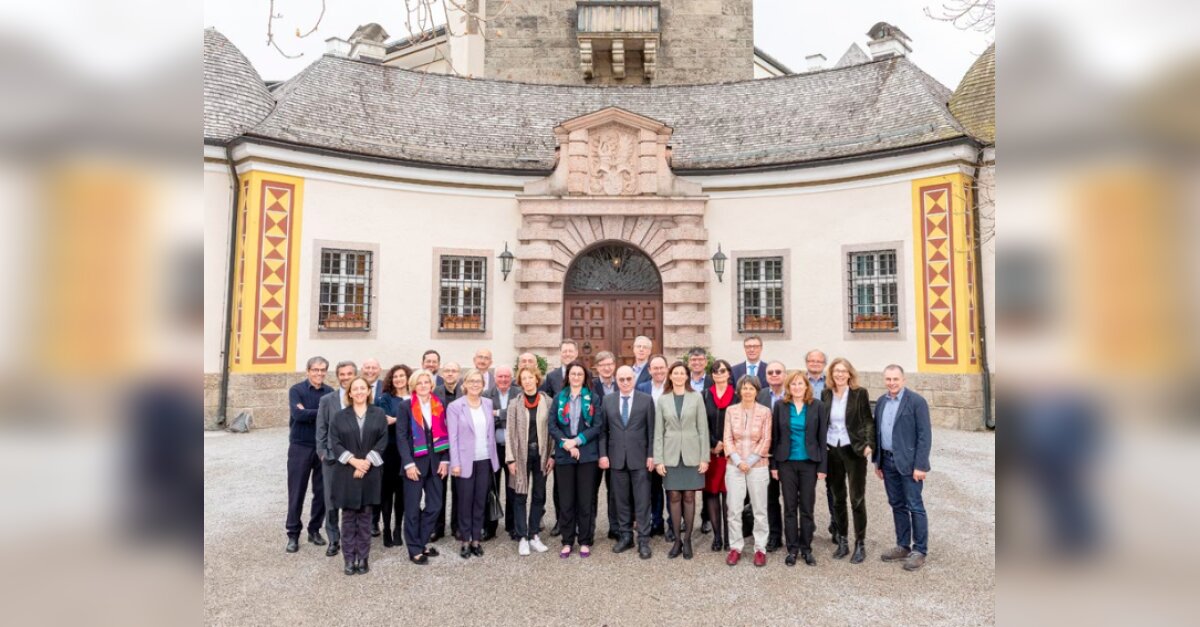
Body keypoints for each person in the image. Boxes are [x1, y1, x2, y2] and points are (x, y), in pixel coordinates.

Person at [872, 365, 932, 572]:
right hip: (887, 462)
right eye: (888, 379)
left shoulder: (916, 402)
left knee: (915, 505)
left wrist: (920, 465)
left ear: (903, 380)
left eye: (895, 379)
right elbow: (877, 433)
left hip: (909, 463)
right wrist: (878, 462)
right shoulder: (881, 402)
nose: (892, 383)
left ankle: (920, 550)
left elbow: (924, 435)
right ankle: (903, 545)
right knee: (897, 504)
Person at [328, 376, 388, 575]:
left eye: (363, 388)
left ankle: (363, 558)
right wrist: (354, 461)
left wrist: (365, 463)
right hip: (347, 473)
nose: (360, 391)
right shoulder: (339, 416)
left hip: (370, 472)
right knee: (348, 519)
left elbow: (382, 440)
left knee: (365, 518)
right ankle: (348, 559)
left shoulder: (378, 414)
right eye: (356, 389)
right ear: (350, 393)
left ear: (368, 391)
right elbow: (335, 442)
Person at [771, 370, 830, 567]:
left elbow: (822, 438)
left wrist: (822, 466)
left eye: (800, 384)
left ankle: (806, 548)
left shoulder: (817, 406)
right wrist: (774, 465)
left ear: (807, 386)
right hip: (786, 462)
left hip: (809, 463)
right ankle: (792, 549)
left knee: (807, 507)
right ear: (788, 387)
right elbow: (775, 437)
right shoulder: (780, 406)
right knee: (789, 507)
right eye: (793, 384)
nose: (797, 387)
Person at [549, 361, 606, 558]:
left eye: (579, 374)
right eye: (573, 374)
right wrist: (565, 444)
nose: (575, 377)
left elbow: (597, 426)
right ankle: (567, 540)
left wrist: (577, 441)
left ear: (585, 377)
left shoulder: (593, 398)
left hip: (587, 455)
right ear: (568, 377)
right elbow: (552, 425)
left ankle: (585, 540)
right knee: (566, 500)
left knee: (585, 500)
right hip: (564, 454)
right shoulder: (559, 397)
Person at [599, 365, 656, 559]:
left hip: (640, 459)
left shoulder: (645, 400)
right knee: (621, 500)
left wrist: (651, 455)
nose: (625, 382)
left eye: (628, 379)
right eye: (621, 379)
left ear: (634, 379)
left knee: (642, 501)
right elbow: (603, 431)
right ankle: (626, 536)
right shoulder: (607, 400)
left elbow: (652, 430)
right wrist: (603, 455)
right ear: (616, 380)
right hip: (616, 459)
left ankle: (643, 540)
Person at [654, 361, 709, 560]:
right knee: (674, 496)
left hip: (692, 454)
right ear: (670, 376)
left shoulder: (696, 397)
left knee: (689, 497)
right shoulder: (663, 399)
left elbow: (703, 429)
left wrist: (704, 458)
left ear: (687, 376)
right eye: (675, 373)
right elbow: (658, 432)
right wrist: (659, 460)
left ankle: (687, 541)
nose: (678, 376)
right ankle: (677, 540)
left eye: (682, 373)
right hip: (670, 455)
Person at [822, 357, 875, 563]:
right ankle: (842, 540)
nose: (840, 374)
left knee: (856, 499)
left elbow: (868, 420)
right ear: (831, 374)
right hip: (832, 449)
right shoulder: (826, 393)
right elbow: (823, 421)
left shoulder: (859, 393)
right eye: (836, 371)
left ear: (849, 374)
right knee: (837, 498)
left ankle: (860, 543)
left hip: (854, 450)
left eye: (843, 371)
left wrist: (869, 444)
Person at [396, 369, 450, 565]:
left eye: (426, 382)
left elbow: (446, 433)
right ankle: (414, 549)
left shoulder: (439, 404)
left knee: (435, 506)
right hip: (414, 465)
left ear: (431, 384)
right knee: (412, 508)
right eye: (419, 383)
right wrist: (408, 463)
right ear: (413, 386)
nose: (423, 385)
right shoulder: (405, 406)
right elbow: (401, 436)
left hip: (436, 463)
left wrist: (445, 459)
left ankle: (420, 541)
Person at [447, 369, 500, 559]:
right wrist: (455, 462)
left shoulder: (487, 403)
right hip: (464, 462)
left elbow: (490, 433)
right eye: (471, 381)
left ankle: (476, 539)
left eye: (478, 381)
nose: (475, 384)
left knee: (480, 501)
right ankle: (465, 540)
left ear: (483, 385)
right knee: (465, 502)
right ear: (465, 384)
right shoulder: (455, 406)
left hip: (485, 459)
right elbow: (452, 437)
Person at [723, 375, 772, 567]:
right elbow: (727, 438)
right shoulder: (731, 411)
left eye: (751, 388)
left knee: (759, 509)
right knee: (734, 509)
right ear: (739, 390)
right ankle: (735, 547)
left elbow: (766, 439)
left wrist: (749, 461)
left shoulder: (765, 412)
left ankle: (760, 548)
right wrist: (737, 461)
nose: (748, 391)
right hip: (734, 466)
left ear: (757, 391)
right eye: (744, 388)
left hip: (757, 466)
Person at [284, 356, 331, 553]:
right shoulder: (296, 390)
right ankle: (293, 534)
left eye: (322, 370)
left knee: (321, 492)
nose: (319, 373)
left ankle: (314, 530)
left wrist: (308, 412)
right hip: (300, 447)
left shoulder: (330, 392)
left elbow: (331, 418)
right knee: (296, 491)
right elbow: (298, 415)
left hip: (322, 447)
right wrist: (321, 412)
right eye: (315, 370)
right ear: (308, 371)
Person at [504, 366, 553, 556]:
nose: (527, 381)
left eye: (530, 377)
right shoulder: (514, 404)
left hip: (541, 454)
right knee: (520, 495)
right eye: (523, 378)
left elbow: (552, 431)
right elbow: (509, 432)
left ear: (536, 379)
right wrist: (510, 459)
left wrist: (552, 455)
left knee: (539, 495)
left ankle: (534, 534)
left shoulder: (547, 402)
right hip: (520, 455)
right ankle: (522, 536)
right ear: (520, 382)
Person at [315, 360, 357, 557]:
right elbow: (321, 428)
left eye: (349, 374)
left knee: (353, 499)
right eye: (342, 374)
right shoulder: (327, 400)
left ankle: (352, 537)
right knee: (331, 500)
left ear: (355, 375)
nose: (346, 377)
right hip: (332, 457)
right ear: (337, 376)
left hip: (355, 457)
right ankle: (333, 539)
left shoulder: (361, 396)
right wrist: (322, 452)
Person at [374, 364, 412, 548]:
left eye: (402, 376)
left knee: (402, 492)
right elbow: (384, 420)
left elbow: (419, 422)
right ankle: (387, 529)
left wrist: (397, 420)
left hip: (409, 452)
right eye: (395, 376)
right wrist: (405, 420)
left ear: (408, 378)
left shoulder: (415, 397)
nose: (398, 379)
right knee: (387, 492)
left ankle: (398, 528)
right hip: (389, 451)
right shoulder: (385, 398)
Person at [636, 354, 670, 537]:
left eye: (661, 367)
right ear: (649, 370)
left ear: (666, 368)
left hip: (670, 443)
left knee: (671, 486)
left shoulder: (672, 386)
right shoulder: (642, 387)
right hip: (648, 443)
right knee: (653, 487)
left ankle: (673, 524)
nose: (658, 371)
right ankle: (656, 522)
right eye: (655, 368)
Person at [755, 360, 787, 552]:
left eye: (778, 371)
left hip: (789, 455)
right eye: (770, 372)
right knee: (770, 498)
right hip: (766, 454)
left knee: (792, 499)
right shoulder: (761, 395)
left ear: (785, 374)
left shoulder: (793, 394)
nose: (774, 375)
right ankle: (774, 536)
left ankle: (795, 535)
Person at [702, 358, 734, 551]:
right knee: (712, 494)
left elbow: (740, 423)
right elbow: (701, 423)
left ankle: (729, 537)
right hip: (711, 453)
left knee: (728, 496)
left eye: (722, 370)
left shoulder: (737, 395)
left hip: (730, 455)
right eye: (715, 371)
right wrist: (713, 443)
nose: (719, 374)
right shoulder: (705, 395)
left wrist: (726, 444)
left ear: (729, 373)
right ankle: (717, 537)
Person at [804, 349, 835, 544]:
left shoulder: (832, 383)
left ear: (824, 364)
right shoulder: (799, 381)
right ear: (806, 362)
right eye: (811, 360)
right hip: (806, 443)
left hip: (829, 442)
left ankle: (836, 526)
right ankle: (808, 525)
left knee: (833, 488)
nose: (815, 363)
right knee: (806, 489)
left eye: (819, 361)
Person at [485, 365, 519, 540]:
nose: (504, 379)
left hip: (514, 449)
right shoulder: (486, 395)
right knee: (492, 487)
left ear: (511, 378)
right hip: (494, 448)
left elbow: (518, 414)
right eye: (500, 376)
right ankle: (490, 527)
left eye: (507, 376)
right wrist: (508, 416)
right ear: (495, 378)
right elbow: (485, 416)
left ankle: (512, 526)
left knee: (513, 488)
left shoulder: (519, 394)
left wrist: (497, 413)